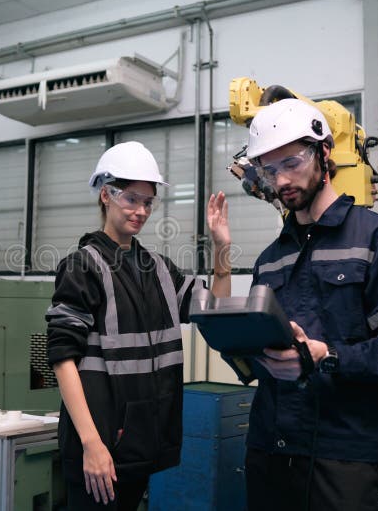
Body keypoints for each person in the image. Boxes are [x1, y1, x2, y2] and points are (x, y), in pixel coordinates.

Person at [224, 98, 378, 511]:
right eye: (269, 169)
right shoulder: (270, 258)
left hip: (343, 458)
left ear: (325, 153)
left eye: (292, 163)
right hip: (270, 449)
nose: (281, 180)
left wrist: (325, 355)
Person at [46, 141, 231, 510]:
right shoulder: (83, 266)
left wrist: (221, 248)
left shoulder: (159, 268)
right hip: (98, 452)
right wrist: (91, 443)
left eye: (148, 202)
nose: (141, 210)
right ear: (105, 195)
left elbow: (216, 309)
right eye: (131, 199)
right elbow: (62, 358)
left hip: (139, 445)